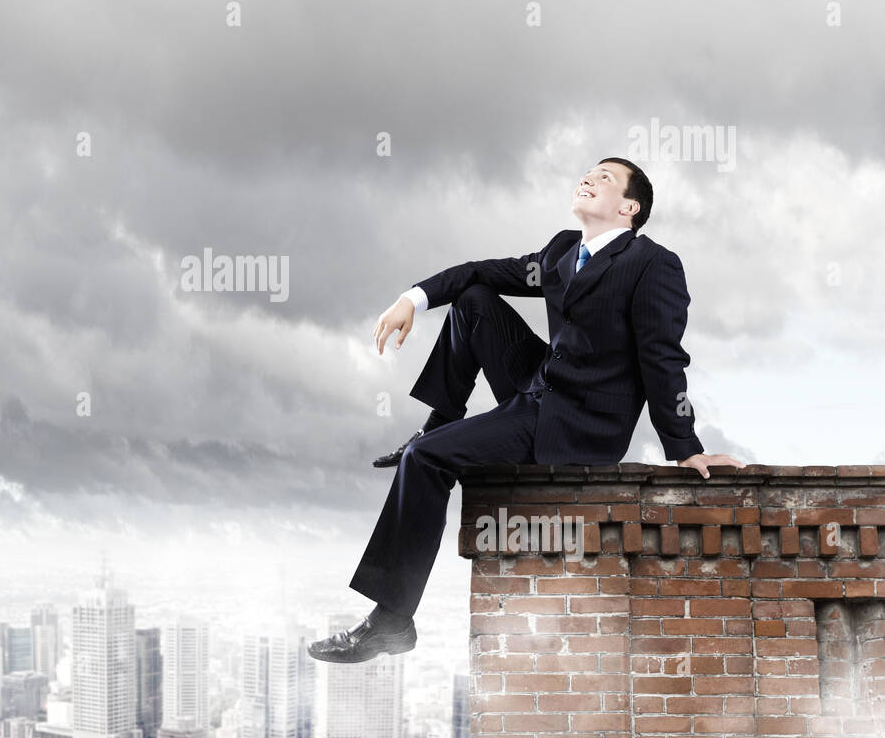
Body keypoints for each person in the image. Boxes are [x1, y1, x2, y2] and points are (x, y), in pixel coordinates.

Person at [309, 157, 745, 664]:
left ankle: (391, 622)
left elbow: (663, 358)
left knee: (426, 460)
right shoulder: (562, 250)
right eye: (589, 172)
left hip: (580, 422)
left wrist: (685, 447)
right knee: (473, 299)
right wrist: (414, 298)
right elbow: (480, 272)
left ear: (630, 207)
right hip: (540, 385)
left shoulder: (653, 264)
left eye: (605, 178)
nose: (588, 178)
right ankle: (438, 423)